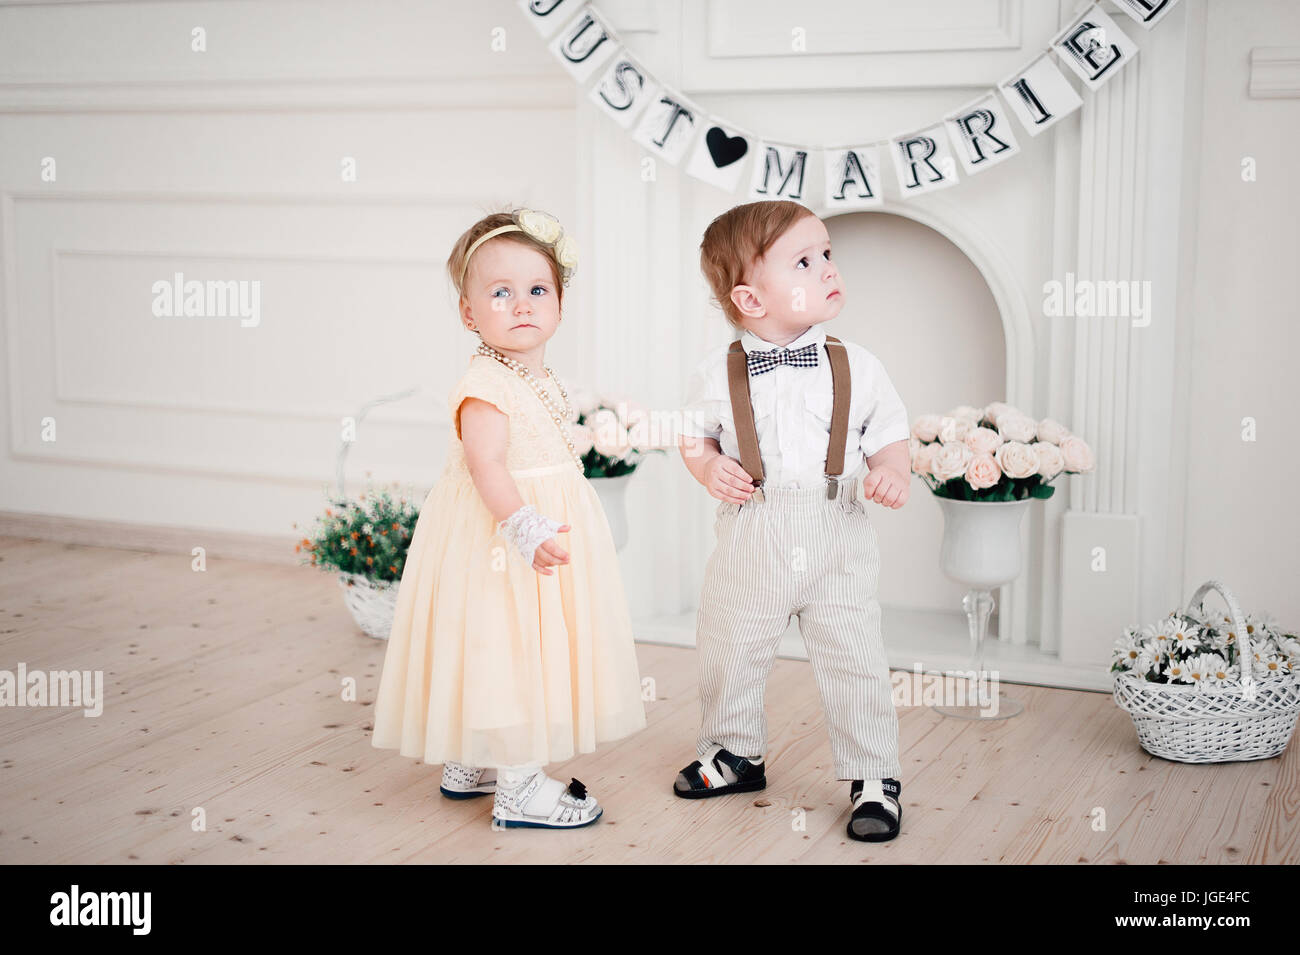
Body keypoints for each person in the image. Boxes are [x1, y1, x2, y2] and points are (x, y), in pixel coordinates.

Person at [371, 207, 646, 829]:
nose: (521, 304)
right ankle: (519, 787)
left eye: (536, 290)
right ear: (470, 314)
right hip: (502, 536)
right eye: (500, 292)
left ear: (559, 302)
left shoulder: (532, 373)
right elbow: (485, 464)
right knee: (516, 647)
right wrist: (524, 525)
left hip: (528, 529)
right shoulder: (484, 383)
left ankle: (473, 756)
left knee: (497, 643)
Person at [674, 200, 911, 842]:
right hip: (755, 530)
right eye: (805, 261)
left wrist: (891, 469)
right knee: (730, 644)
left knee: (854, 655)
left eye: (827, 252)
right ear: (750, 299)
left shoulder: (859, 366)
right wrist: (709, 469)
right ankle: (734, 752)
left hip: (837, 528)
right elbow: (694, 438)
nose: (828, 267)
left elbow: (890, 434)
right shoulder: (715, 371)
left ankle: (872, 775)